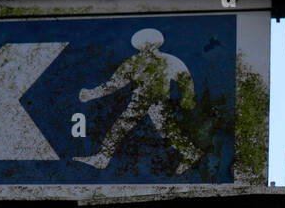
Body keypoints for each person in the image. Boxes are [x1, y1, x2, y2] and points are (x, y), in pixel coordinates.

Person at [73, 28, 201, 173]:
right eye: (145, 45)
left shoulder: (167, 60)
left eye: (150, 44)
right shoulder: (135, 62)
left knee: (165, 130)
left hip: (158, 101)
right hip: (143, 99)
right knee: (125, 126)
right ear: (141, 46)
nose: (148, 48)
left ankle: (190, 152)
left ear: (156, 44)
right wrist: (91, 94)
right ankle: (102, 157)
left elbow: (186, 80)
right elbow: (115, 83)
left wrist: (188, 98)